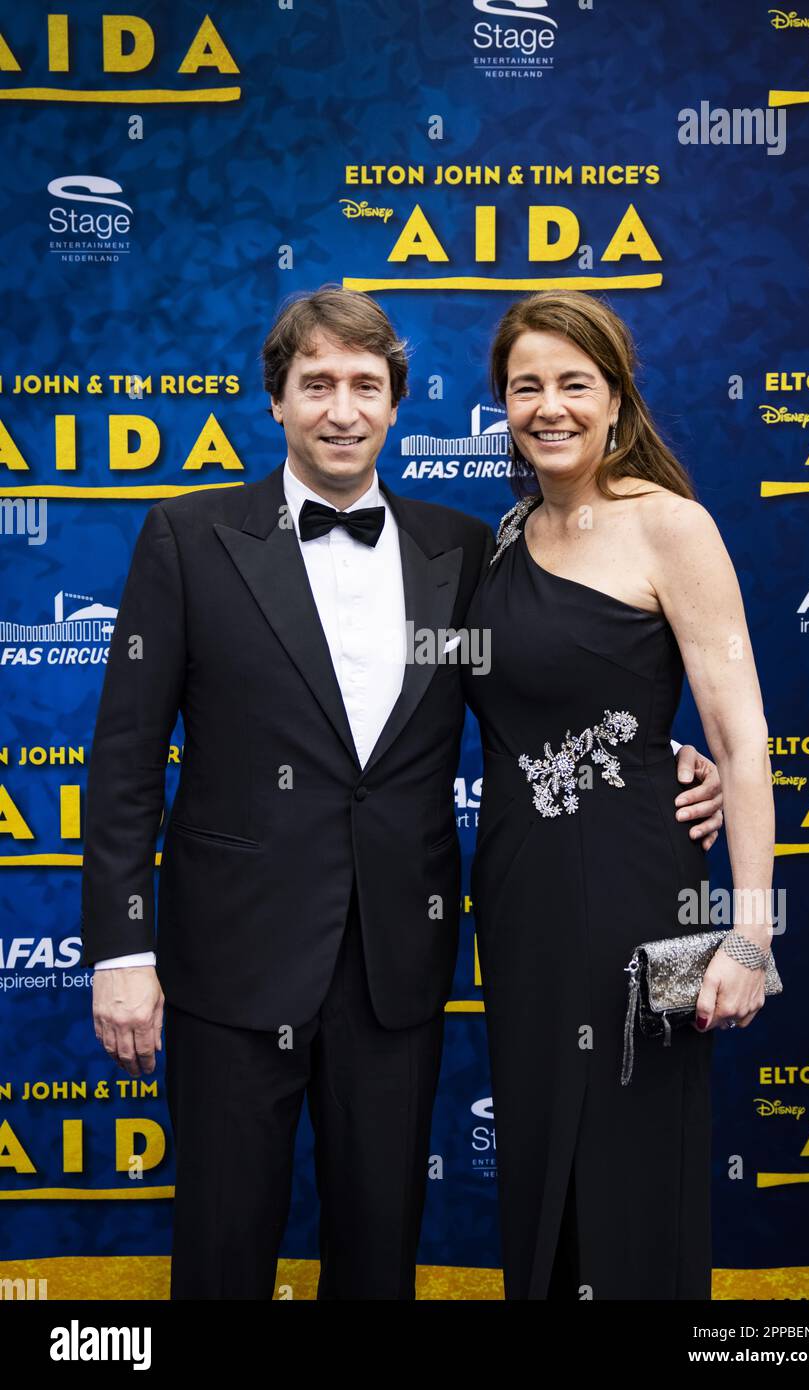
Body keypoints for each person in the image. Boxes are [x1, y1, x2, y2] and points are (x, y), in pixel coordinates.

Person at [80, 285, 723, 1301]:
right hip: (231, 959)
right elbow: (124, 760)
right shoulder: (188, 537)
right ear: (276, 401)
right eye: (317, 385)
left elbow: (555, 675)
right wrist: (123, 950)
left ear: (395, 404)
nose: (342, 410)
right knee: (220, 1249)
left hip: (397, 962)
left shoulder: (466, 550)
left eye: (365, 386)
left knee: (381, 1256)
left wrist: (661, 755)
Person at [461, 289, 775, 1301]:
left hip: (645, 891)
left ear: (615, 398)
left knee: (637, 1153)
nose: (548, 406)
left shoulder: (672, 526)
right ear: (503, 405)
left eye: (573, 384)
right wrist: (646, 741)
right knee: (541, 1153)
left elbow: (741, 736)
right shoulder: (508, 536)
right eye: (526, 387)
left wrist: (750, 937)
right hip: (520, 895)